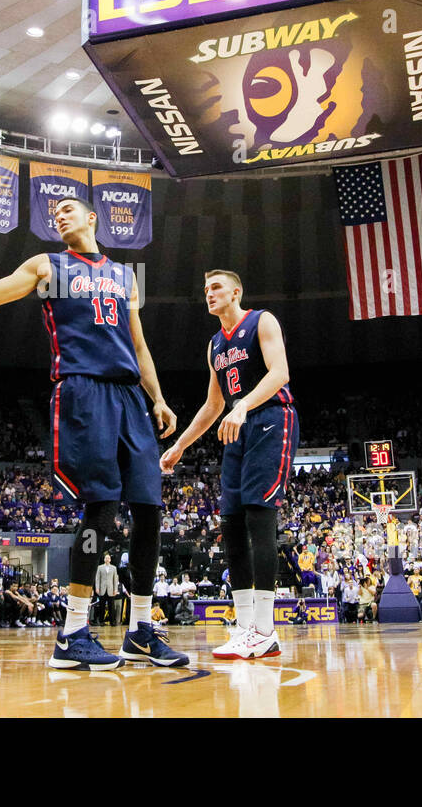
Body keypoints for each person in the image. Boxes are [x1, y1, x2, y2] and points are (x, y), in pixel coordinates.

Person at [0, 197, 186, 670]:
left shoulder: (124, 275)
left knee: (150, 510)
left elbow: (138, 342)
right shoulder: (46, 265)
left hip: (130, 394)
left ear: (94, 218)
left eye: (69, 209)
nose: (59, 215)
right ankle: (72, 632)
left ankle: (139, 631)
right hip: (83, 391)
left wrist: (158, 397)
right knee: (103, 507)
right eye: (55, 214)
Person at [161, 269, 295, 660]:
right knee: (231, 525)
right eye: (205, 289)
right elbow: (213, 405)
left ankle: (266, 630)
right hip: (236, 424)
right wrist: (181, 445)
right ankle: (246, 627)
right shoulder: (215, 344)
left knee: (259, 518)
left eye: (216, 287)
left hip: (270, 417)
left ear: (236, 291)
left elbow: (280, 373)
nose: (209, 294)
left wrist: (244, 406)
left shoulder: (261, 321)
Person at [93, 554, 119, 626]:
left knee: (111, 607)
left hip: (110, 589)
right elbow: (97, 578)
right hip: (102, 589)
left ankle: (112, 622)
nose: (107, 559)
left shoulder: (114, 568)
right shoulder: (100, 567)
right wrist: (97, 588)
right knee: (102, 606)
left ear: (110, 560)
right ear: (104, 559)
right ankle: (101, 621)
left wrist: (115, 589)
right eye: (106, 558)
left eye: (108, 558)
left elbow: (115, 579)